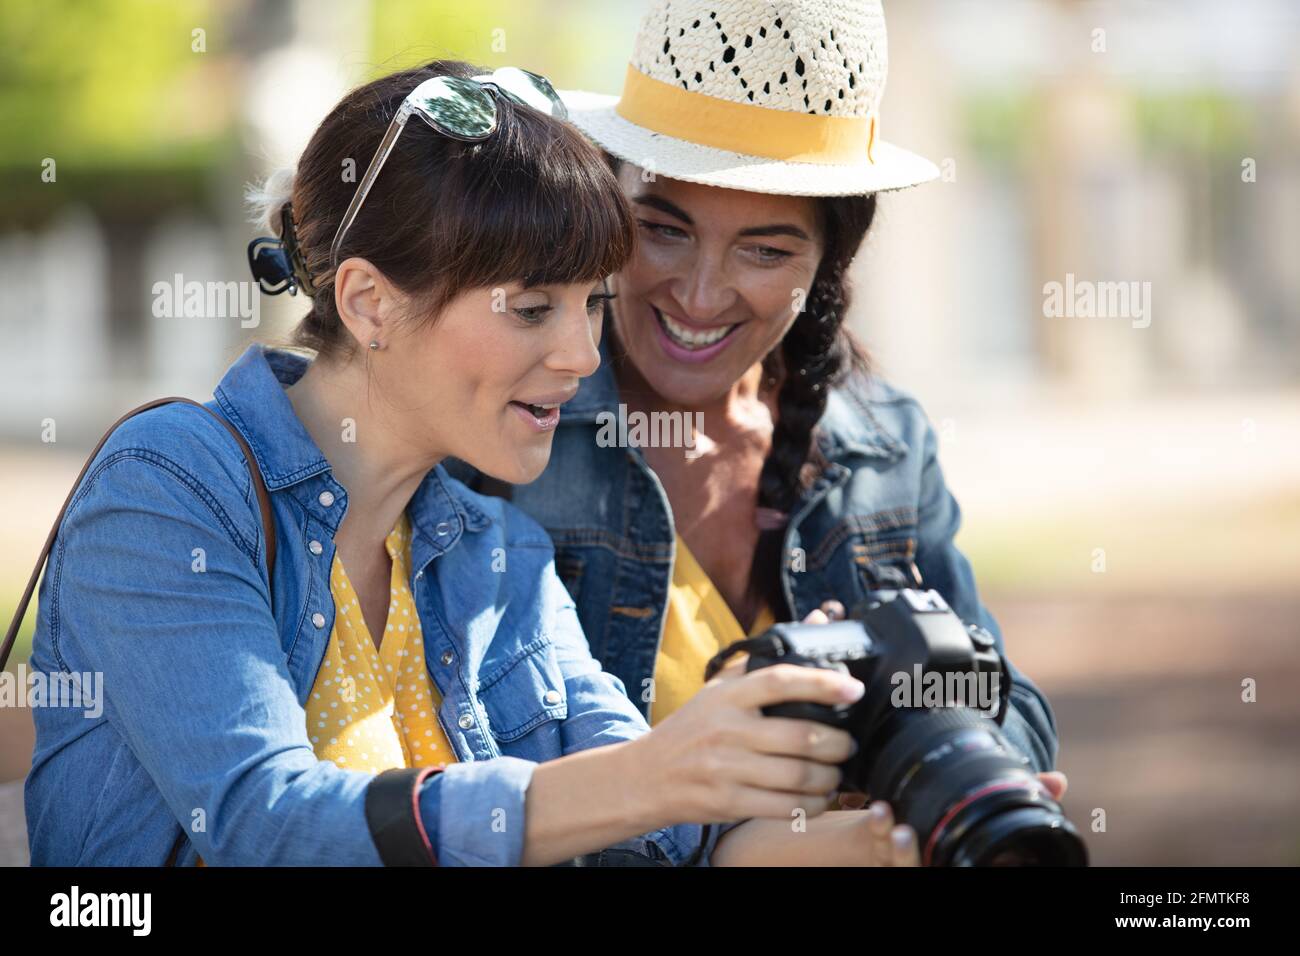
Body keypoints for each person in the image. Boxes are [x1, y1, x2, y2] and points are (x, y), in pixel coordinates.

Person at [23, 59, 920, 866]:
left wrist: (908, 839)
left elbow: (673, 832)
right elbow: (264, 823)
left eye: (593, 303)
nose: (580, 354)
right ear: (370, 303)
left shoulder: (496, 551)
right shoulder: (170, 489)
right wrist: (662, 774)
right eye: (532, 308)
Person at [447, 0, 1069, 828]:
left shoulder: (886, 443)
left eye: (766, 251)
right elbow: (451, 769)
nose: (701, 296)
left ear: (830, 261)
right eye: (663, 231)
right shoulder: (500, 428)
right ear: (605, 209)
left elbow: (1010, 704)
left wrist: (932, 733)